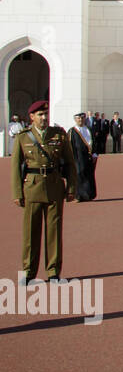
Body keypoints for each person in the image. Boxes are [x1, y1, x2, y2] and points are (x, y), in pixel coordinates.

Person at [10, 100, 77, 283]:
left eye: (45, 114)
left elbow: (71, 163)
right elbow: (15, 166)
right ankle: (29, 271)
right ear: (31, 117)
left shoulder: (59, 134)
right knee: (31, 232)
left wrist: (71, 187)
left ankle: (53, 271)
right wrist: (17, 193)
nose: (44, 118)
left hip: (54, 186)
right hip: (32, 188)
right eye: (40, 115)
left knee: (54, 231)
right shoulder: (23, 137)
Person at [69, 112, 98, 201]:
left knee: (89, 175)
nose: (80, 120)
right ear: (75, 119)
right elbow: (70, 146)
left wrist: (95, 153)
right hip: (78, 157)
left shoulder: (88, 129)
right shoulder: (72, 131)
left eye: (82, 118)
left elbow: (94, 142)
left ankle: (89, 195)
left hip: (88, 157)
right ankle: (78, 196)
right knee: (79, 175)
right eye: (78, 118)